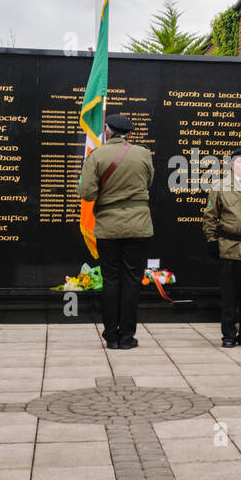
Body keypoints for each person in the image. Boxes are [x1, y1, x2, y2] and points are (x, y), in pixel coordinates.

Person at [78, 113, 153, 349]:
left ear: (107, 130)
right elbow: (148, 182)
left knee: (111, 280)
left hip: (108, 227)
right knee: (132, 281)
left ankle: (111, 336)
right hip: (138, 226)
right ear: (129, 133)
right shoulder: (143, 153)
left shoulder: (97, 155)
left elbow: (87, 193)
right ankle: (127, 337)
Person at [203, 147, 241, 348]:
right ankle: (229, 334)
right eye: (240, 162)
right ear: (232, 166)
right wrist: (212, 239)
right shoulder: (220, 186)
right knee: (229, 295)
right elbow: (210, 217)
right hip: (229, 246)